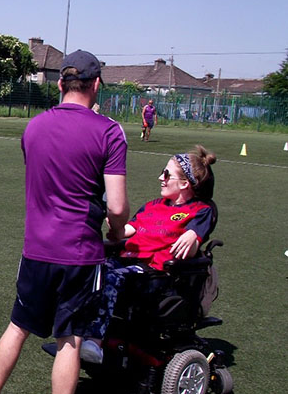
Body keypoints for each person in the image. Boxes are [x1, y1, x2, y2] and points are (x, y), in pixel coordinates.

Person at [0, 50, 129, 394]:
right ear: (97, 85)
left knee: (18, 325)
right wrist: (115, 234)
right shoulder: (109, 132)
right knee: (70, 339)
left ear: (59, 84)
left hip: (36, 249)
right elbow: (115, 207)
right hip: (78, 253)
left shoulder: (34, 127)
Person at [80, 146, 217, 363]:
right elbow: (128, 231)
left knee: (112, 276)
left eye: (166, 174)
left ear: (184, 184)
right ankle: (77, 330)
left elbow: (199, 231)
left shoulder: (200, 210)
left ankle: (93, 341)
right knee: (87, 267)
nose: (160, 178)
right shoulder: (152, 206)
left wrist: (193, 234)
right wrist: (115, 225)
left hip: (157, 274)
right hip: (129, 260)